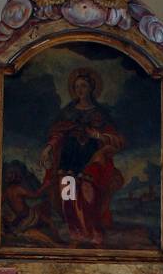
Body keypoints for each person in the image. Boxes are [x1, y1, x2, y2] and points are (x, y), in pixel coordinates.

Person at [39, 68, 124, 246]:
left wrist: (98, 136)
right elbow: (58, 134)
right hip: (69, 157)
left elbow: (117, 139)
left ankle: (92, 230)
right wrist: (48, 148)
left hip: (91, 157)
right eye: (77, 86)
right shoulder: (68, 112)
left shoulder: (100, 113)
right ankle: (76, 232)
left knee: (87, 192)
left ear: (91, 88)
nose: (80, 89)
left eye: (83, 86)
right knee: (68, 194)